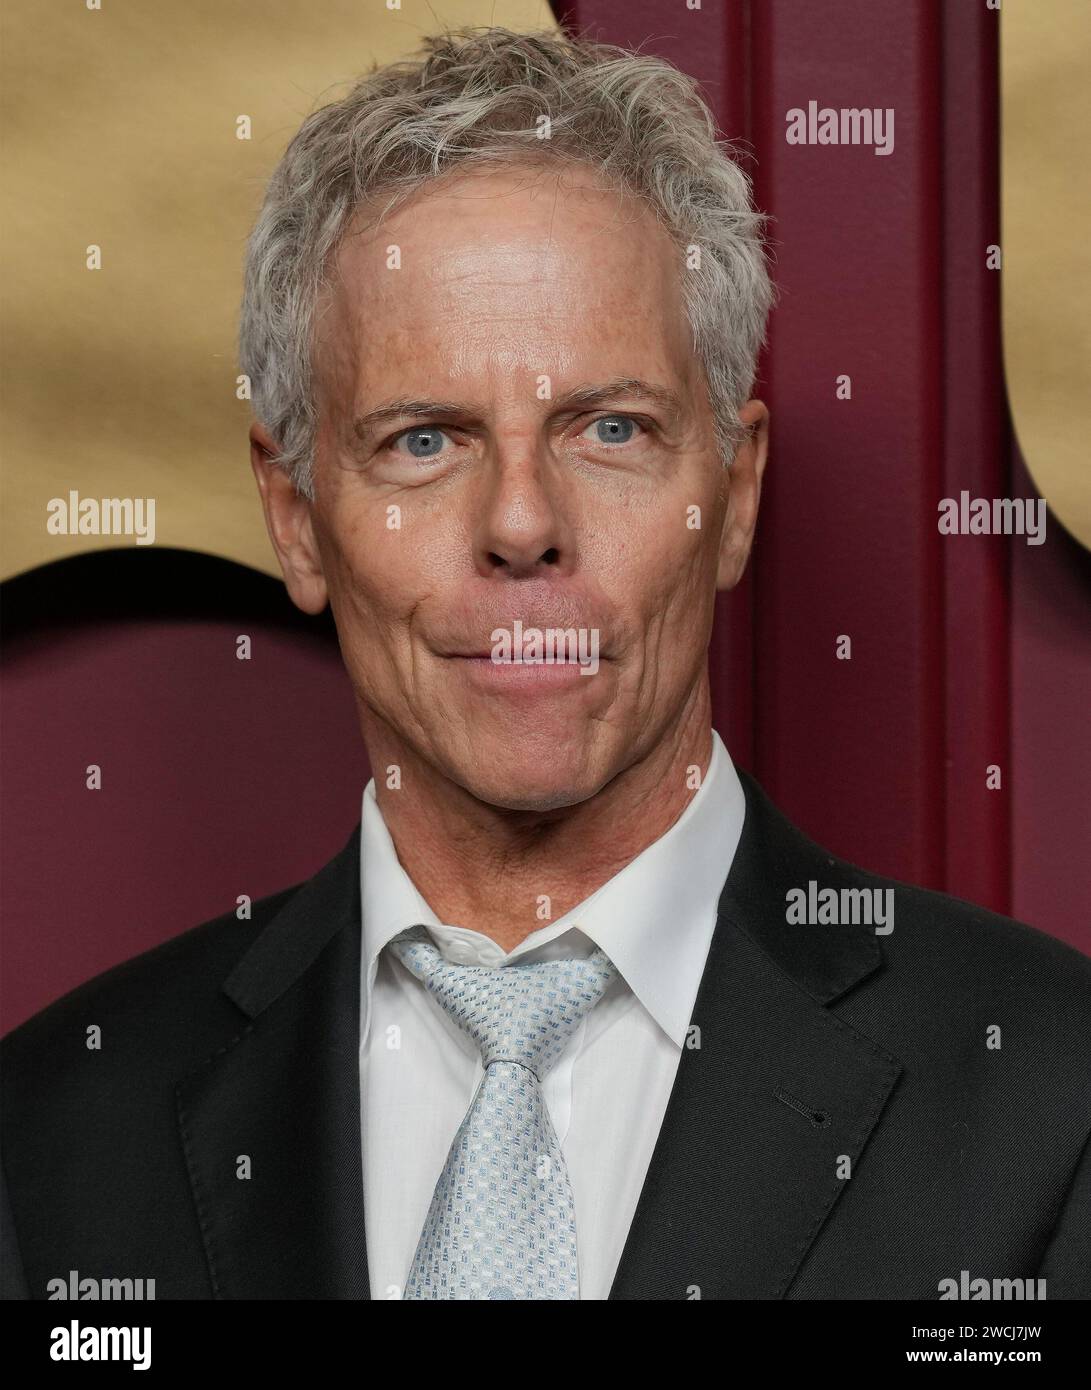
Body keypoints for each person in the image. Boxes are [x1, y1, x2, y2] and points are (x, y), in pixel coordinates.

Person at [3, 26, 1089, 1301]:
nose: (520, 523)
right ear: (294, 517)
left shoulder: (1051, 1103)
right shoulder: (51, 1141)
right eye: (423, 441)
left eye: (609, 427)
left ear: (731, 495)